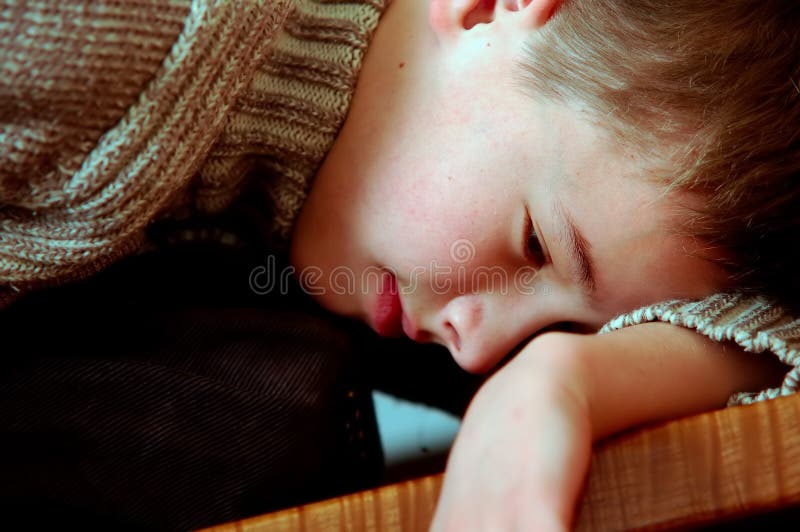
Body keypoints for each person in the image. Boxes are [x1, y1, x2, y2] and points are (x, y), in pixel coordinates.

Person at [1, 0, 798, 529]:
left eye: (569, 324)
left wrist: (566, 378)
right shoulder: (84, 34)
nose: (480, 353)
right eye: (536, 246)